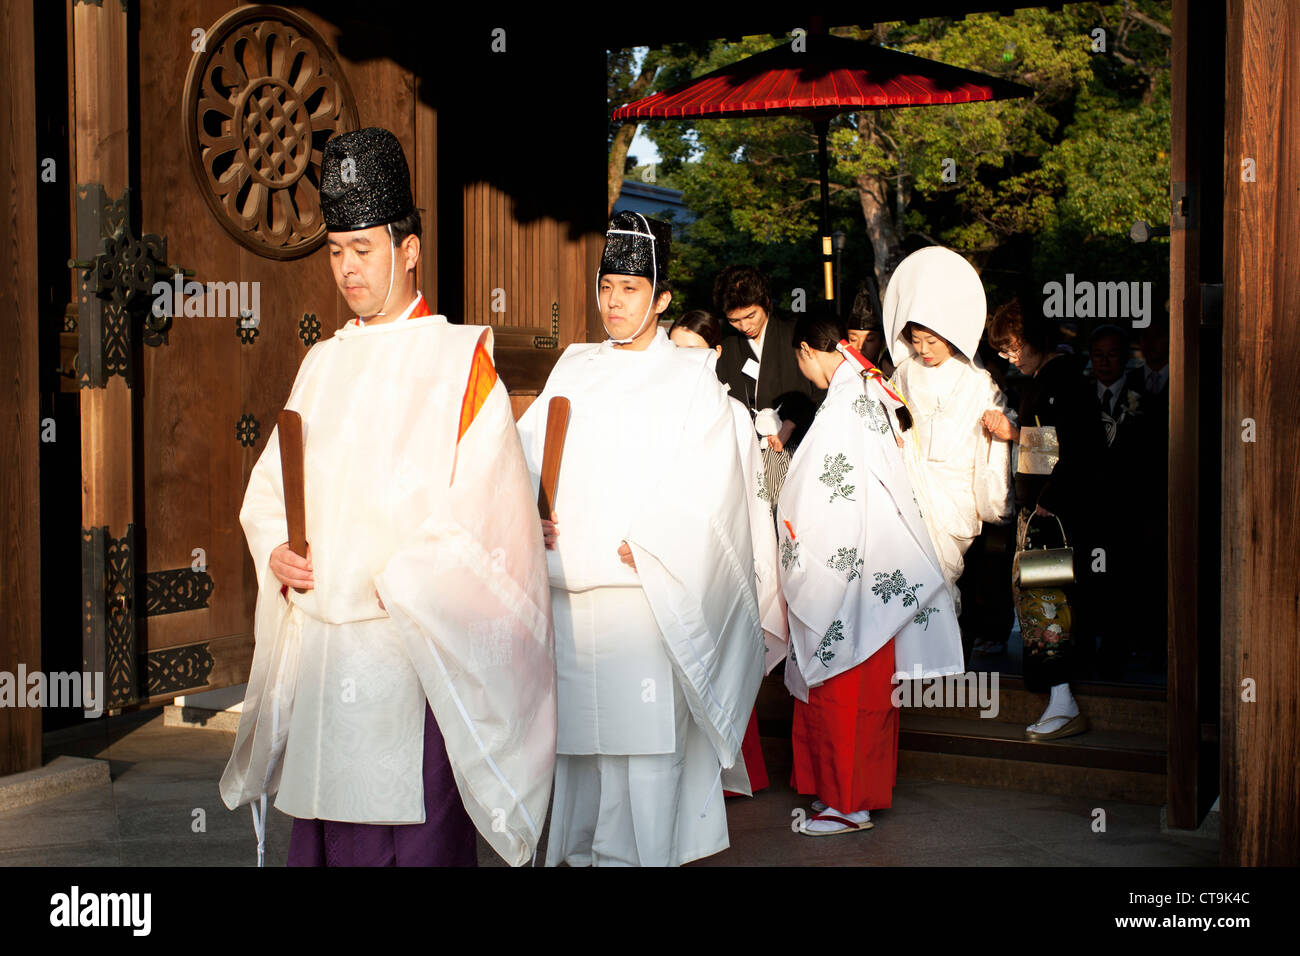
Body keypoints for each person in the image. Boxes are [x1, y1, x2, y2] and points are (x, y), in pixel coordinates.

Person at [219, 127, 556, 868]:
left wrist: (403, 581)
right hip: (326, 650)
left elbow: (488, 519)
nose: (347, 269)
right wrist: (276, 546)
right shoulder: (321, 361)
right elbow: (274, 487)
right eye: (336, 251)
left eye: (363, 249)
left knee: (415, 838)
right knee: (327, 836)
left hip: (411, 650)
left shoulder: (460, 364)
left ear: (408, 248)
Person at [516, 212, 763, 866]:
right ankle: (576, 859)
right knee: (578, 754)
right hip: (571, 593)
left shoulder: (688, 378)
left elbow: (714, 478)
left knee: (644, 749)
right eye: (606, 287)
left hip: (642, 593)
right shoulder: (574, 365)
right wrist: (527, 506)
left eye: (630, 289)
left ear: (661, 298)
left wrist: (658, 534)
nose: (614, 302)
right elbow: (525, 450)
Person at [779, 312, 963, 836]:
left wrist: (803, 547)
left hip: (850, 567)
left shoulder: (847, 406)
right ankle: (842, 793)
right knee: (853, 691)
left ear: (806, 352)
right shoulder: (861, 392)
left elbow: (834, 495)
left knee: (847, 690)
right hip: (868, 560)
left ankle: (850, 801)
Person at [669, 308, 790, 794]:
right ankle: (686, 772)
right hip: (671, 548)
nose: (683, 363)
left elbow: (754, 491)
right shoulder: (657, 409)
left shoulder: (735, 413)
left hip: (722, 550)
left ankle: (734, 773)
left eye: (693, 353)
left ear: (716, 354)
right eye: (673, 352)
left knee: (722, 660)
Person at [984, 297, 1107, 739]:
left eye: (1014, 347)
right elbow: (1050, 446)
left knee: (1045, 601)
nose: (1011, 357)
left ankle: (1063, 699)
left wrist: (1048, 500)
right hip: (1044, 509)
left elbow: (1077, 449)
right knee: (1040, 601)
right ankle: (1059, 696)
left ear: (1034, 338)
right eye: (1005, 351)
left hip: (1053, 513)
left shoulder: (1064, 379)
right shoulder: (1047, 378)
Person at [882, 247, 1014, 620]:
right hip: (912, 487)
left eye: (932, 342)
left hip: (955, 493)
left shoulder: (976, 380)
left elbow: (1000, 423)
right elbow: (887, 417)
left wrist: (998, 428)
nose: (922, 349)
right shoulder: (904, 372)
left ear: (950, 336)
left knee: (940, 574)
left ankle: (943, 654)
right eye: (917, 339)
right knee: (911, 576)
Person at [713, 265, 823, 515]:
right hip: (747, 454)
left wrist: (790, 424)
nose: (744, 326)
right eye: (734, 320)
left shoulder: (794, 332)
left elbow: (819, 389)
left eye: (750, 316)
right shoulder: (727, 344)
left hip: (796, 446)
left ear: (765, 302)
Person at [847, 280, 895, 379]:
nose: (860, 346)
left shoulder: (890, 373)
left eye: (869, 340)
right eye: (853, 339)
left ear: (882, 342)